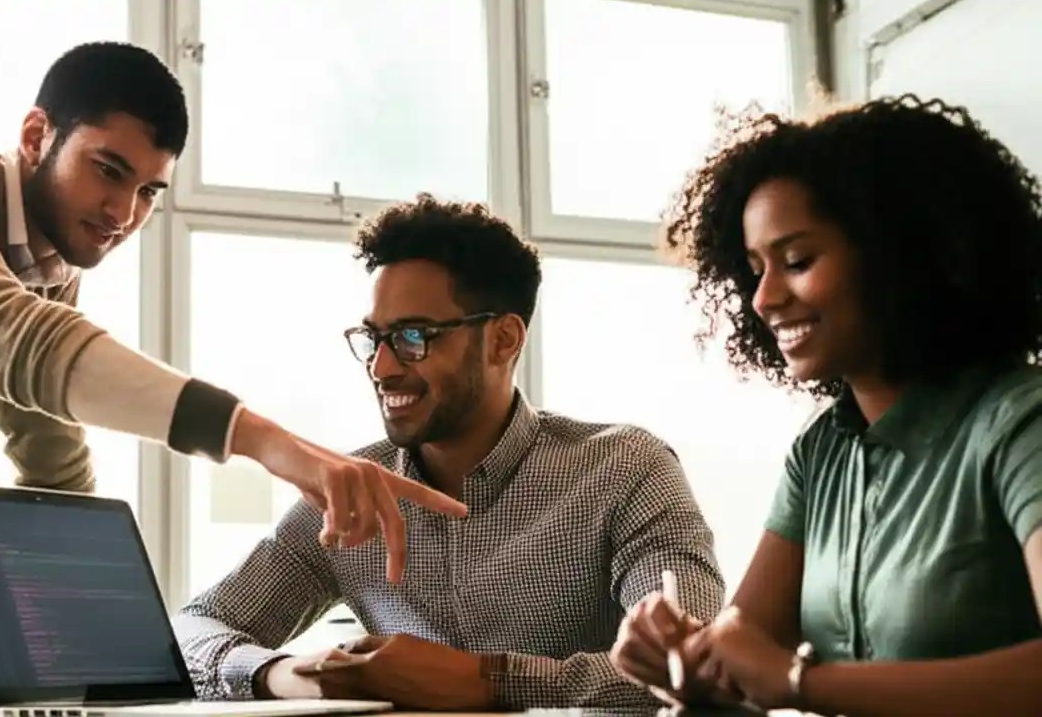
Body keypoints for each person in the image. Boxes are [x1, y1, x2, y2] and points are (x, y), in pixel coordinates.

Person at [0, 42, 464, 715]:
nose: (123, 214)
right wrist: (268, 442)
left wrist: (100, 672)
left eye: (149, 190)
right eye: (108, 170)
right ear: (37, 134)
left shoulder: (45, 274)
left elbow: (52, 462)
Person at [174, 193, 725, 712]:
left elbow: (692, 660)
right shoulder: (348, 493)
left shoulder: (624, 468)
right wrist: (282, 674)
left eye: (414, 337)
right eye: (374, 339)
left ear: (504, 339)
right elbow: (193, 630)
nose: (382, 367)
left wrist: (488, 679)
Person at [610, 94, 1042, 717]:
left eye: (796, 261)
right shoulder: (821, 452)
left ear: (903, 256)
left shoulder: (1021, 424)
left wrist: (799, 683)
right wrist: (674, 658)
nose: (763, 299)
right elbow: (735, 661)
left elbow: (774, 674)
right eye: (755, 269)